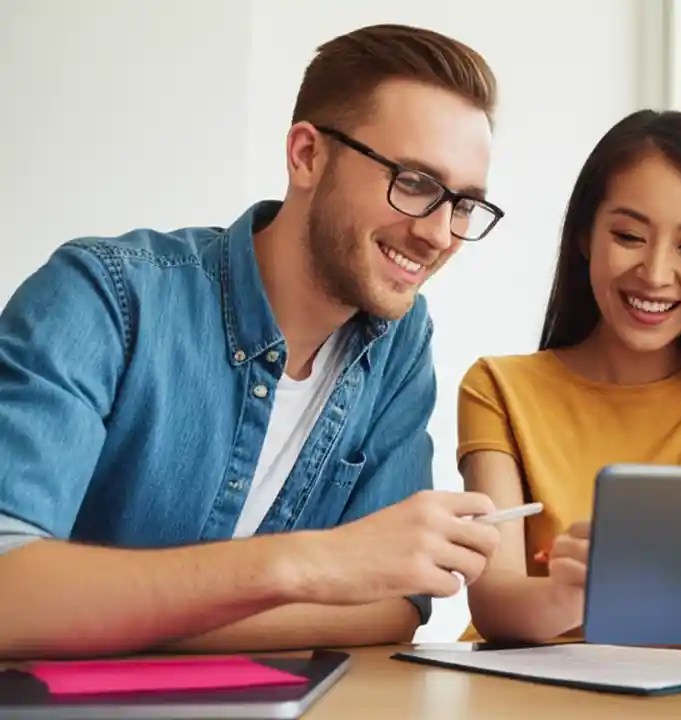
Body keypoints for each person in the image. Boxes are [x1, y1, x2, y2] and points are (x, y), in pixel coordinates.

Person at [0, 24, 508, 659]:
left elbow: (392, 606)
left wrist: (131, 621)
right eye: (413, 183)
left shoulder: (399, 343)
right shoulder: (103, 297)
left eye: (464, 204)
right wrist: (306, 566)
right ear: (306, 156)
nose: (440, 234)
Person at [458, 110, 681, 645]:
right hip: (522, 691)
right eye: (630, 235)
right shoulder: (497, 387)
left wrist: (612, 591)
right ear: (586, 236)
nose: (656, 274)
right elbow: (496, 604)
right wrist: (567, 594)